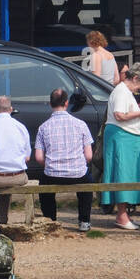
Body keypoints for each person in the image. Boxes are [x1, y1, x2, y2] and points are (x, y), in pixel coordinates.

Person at [101, 62, 140, 229]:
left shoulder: (126, 92)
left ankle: (125, 215)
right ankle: (122, 216)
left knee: (129, 175)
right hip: (122, 137)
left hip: (128, 138)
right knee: (122, 175)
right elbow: (119, 115)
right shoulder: (121, 91)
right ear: (136, 78)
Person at [33, 88, 94, 231]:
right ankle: (84, 221)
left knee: (44, 184)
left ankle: (50, 220)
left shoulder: (43, 127)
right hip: (77, 173)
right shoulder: (81, 124)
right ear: (67, 103)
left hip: (52, 173)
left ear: (50, 104)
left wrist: (50, 164)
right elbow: (89, 156)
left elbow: (39, 157)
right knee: (87, 183)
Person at [0, 96, 30, 224]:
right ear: (11, 109)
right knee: (8, 175)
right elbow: (27, 158)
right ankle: (2, 218)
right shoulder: (21, 127)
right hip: (18, 177)